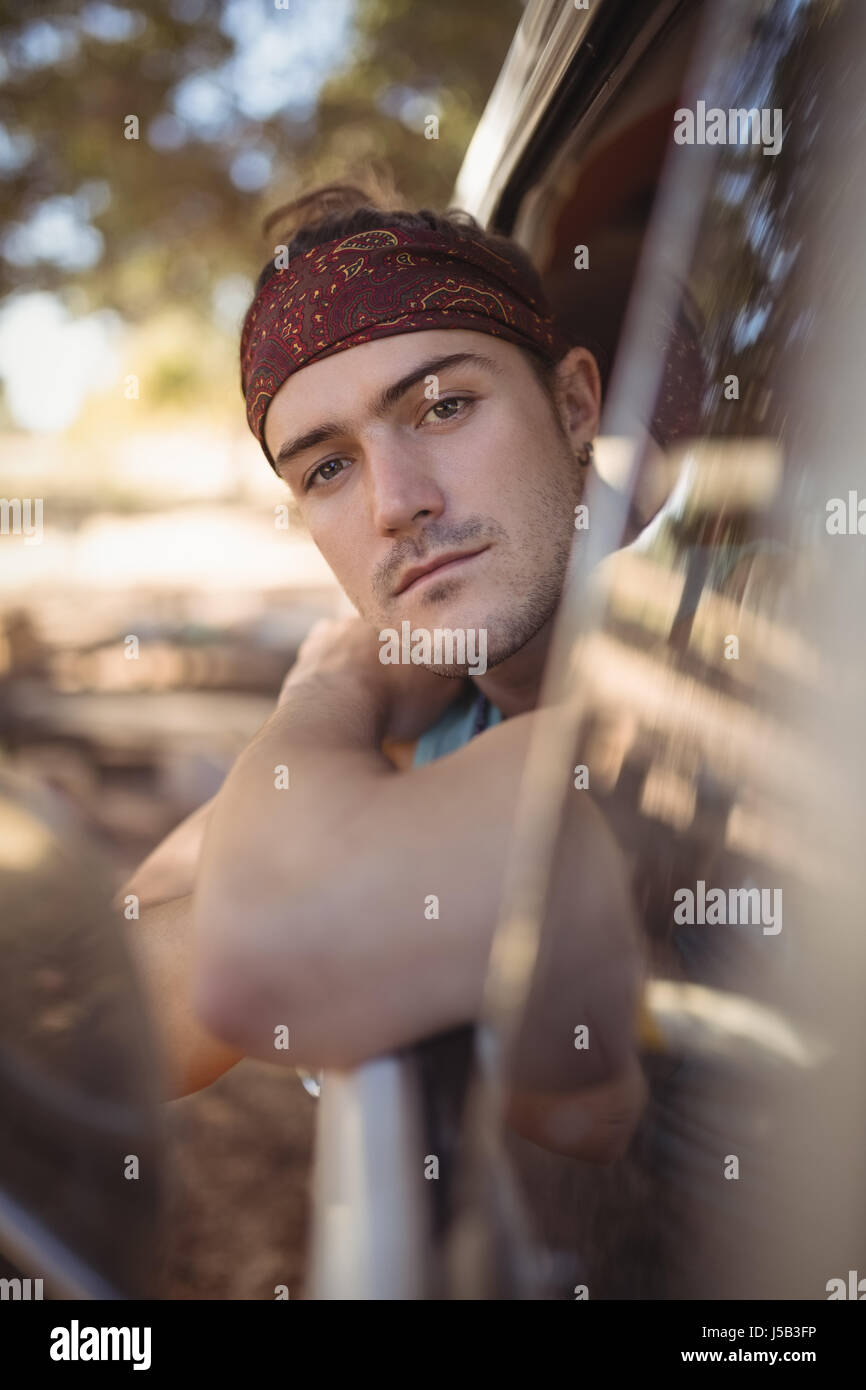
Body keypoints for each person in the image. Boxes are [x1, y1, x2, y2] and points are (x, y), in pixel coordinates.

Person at [119, 181, 648, 1173]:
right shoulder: (436, 723)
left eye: (442, 406)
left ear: (574, 404)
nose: (395, 503)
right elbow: (118, 996)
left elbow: (257, 956)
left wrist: (329, 684)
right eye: (326, 469)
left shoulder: (667, 692)